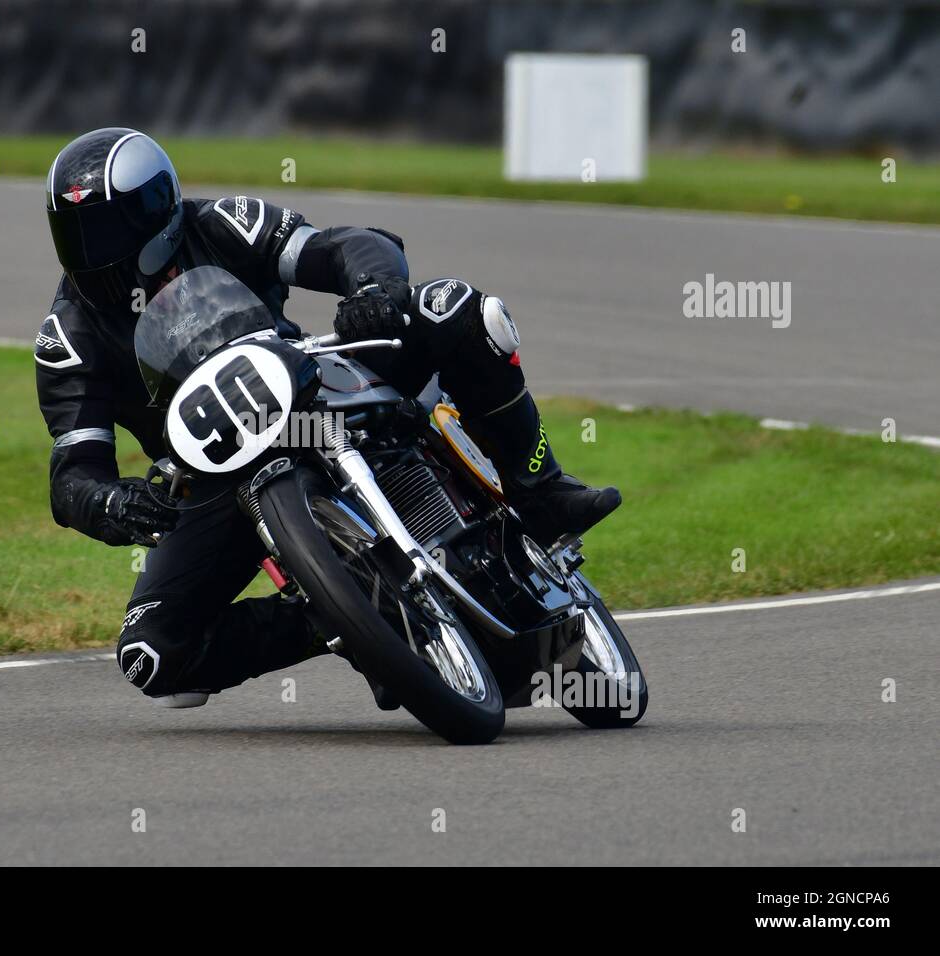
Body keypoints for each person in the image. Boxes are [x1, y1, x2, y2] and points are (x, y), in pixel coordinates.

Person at [35, 128, 620, 706]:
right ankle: (335, 616)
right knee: (151, 653)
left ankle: (541, 486)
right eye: (77, 233)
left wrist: (372, 290)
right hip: (215, 475)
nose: (95, 252)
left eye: (108, 228)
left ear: (158, 206)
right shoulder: (68, 335)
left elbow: (348, 245)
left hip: (311, 386)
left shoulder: (222, 223)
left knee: (458, 310)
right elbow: (73, 474)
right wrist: (111, 504)